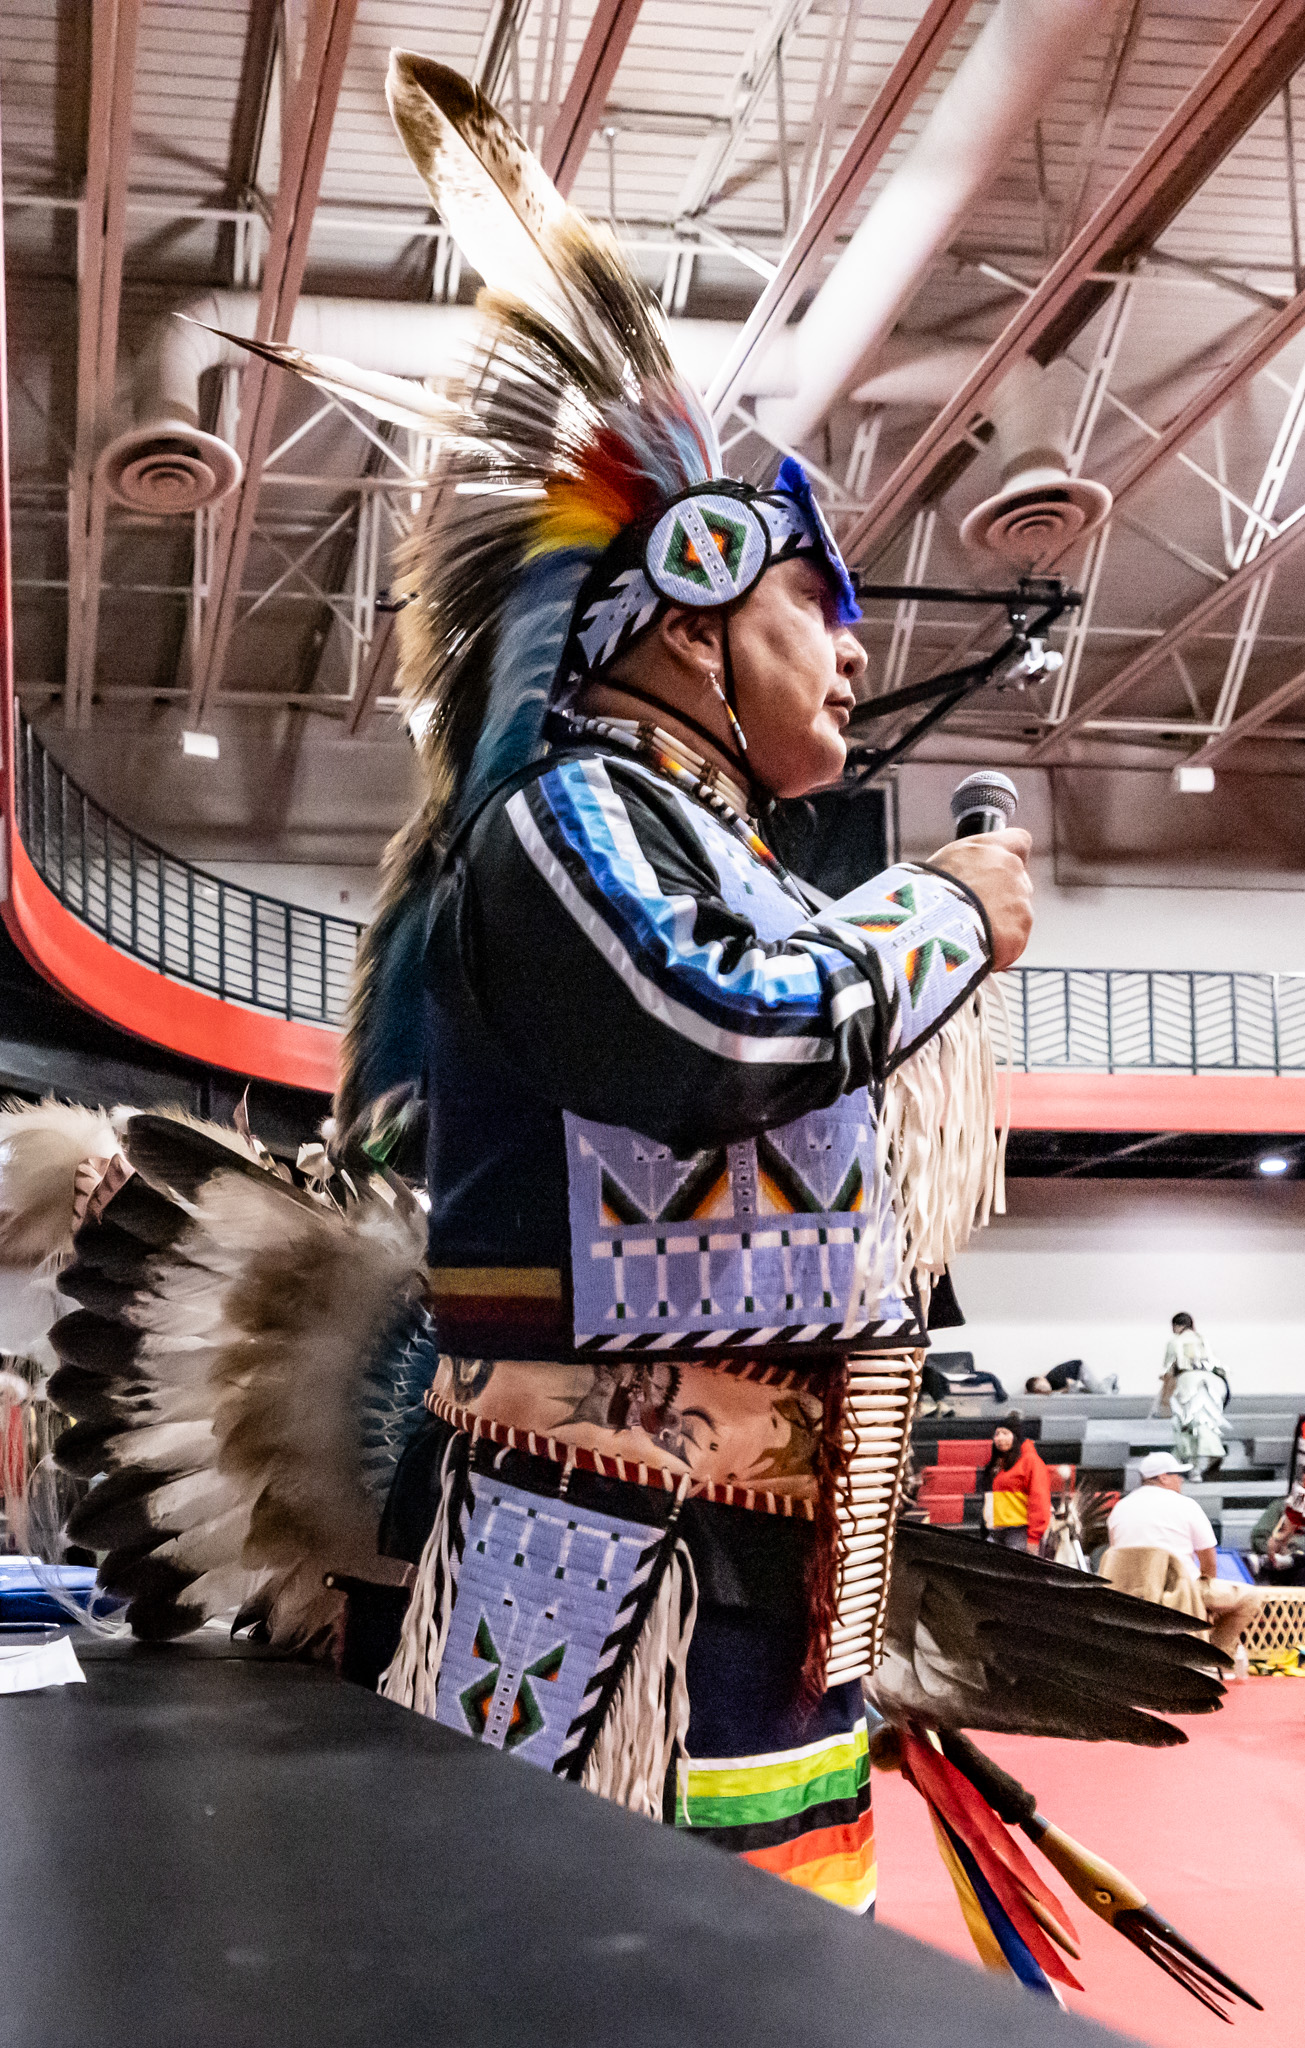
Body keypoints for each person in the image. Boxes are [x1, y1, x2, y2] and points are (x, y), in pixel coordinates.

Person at [1102, 1452, 1258, 1656]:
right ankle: (1216, 1653)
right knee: (1250, 1597)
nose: (1181, 1479)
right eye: (1177, 1474)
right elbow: (1208, 1560)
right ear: (1164, 1477)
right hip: (1181, 1591)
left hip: (1129, 1595)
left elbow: (1118, 1556)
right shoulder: (1186, 1505)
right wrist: (1204, 1597)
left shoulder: (1119, 1509)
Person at [1160, 1313, 1229, 1475]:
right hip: (1212, 1382)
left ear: (1177, 1326)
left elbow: (1168, 1368)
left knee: (1187, 1423)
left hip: (1188, 1381)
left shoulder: (1175, 1342)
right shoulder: (1204, 1340)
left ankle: (1194, 1467)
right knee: (1208, 1421)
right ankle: (1213, 1452)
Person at [979, 1413, 1051, 1553]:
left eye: (1005, 1433)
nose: (999, 1438)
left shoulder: (1030, 1461)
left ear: (1016, 1436)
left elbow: (1039, 1501)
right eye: (997, 1433)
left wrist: (1033, 1538)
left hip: (1019, 1533)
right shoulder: (997, 1464)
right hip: (995, 1531)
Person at [1025, 1359, 1118, 1396]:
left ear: (1042, 1380)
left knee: (1101, 1391)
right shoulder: (1048, 1380)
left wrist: (1059, 1392)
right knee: (1085, 1393)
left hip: (1080, 1368)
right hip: (1074, 1372)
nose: (1044, 1390)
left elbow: (1071, 1387)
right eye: (1040, 1390)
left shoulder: (1055, 1379)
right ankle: (1111, 1388)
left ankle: (1111, 1378)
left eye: (1042, 1387)